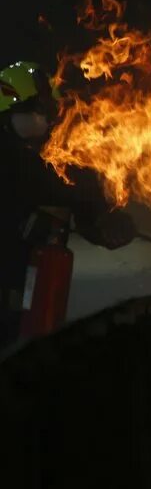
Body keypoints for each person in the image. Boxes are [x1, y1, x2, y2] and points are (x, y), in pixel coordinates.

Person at [1, 60, 135, 348]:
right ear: (9, 112)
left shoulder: (60, 162)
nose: (46, 120)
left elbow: (87, 209)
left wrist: (107, 226)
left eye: (48, 112)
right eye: (37, 111)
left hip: (35, 289)